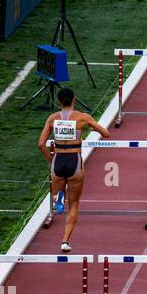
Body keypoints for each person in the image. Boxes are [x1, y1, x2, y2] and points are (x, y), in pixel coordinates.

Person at [37, 88, 111, 253]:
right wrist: (91, 129)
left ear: (58, 101)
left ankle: (58, 199)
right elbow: (106, 133)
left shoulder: (52, 118)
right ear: (74, 100)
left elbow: (41, 144)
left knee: (58, 196)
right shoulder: (82, 118)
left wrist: (50, 160)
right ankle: (64, 241)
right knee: (75, 204)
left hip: (58, 162)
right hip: (74, 162)